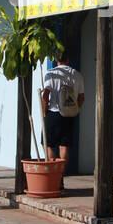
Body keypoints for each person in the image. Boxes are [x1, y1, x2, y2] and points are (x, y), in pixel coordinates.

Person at [40, 50, 85, 184]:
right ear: (68, 59)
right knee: (64, 145)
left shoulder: (51, 74)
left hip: (53, 113)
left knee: (47, 143)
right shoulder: (77, 75)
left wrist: (44, 112)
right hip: (69, 114)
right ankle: (60, 177)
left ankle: (52, 172)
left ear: (55, 59)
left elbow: (45, 95)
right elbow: (82, 97)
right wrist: (76, 109)